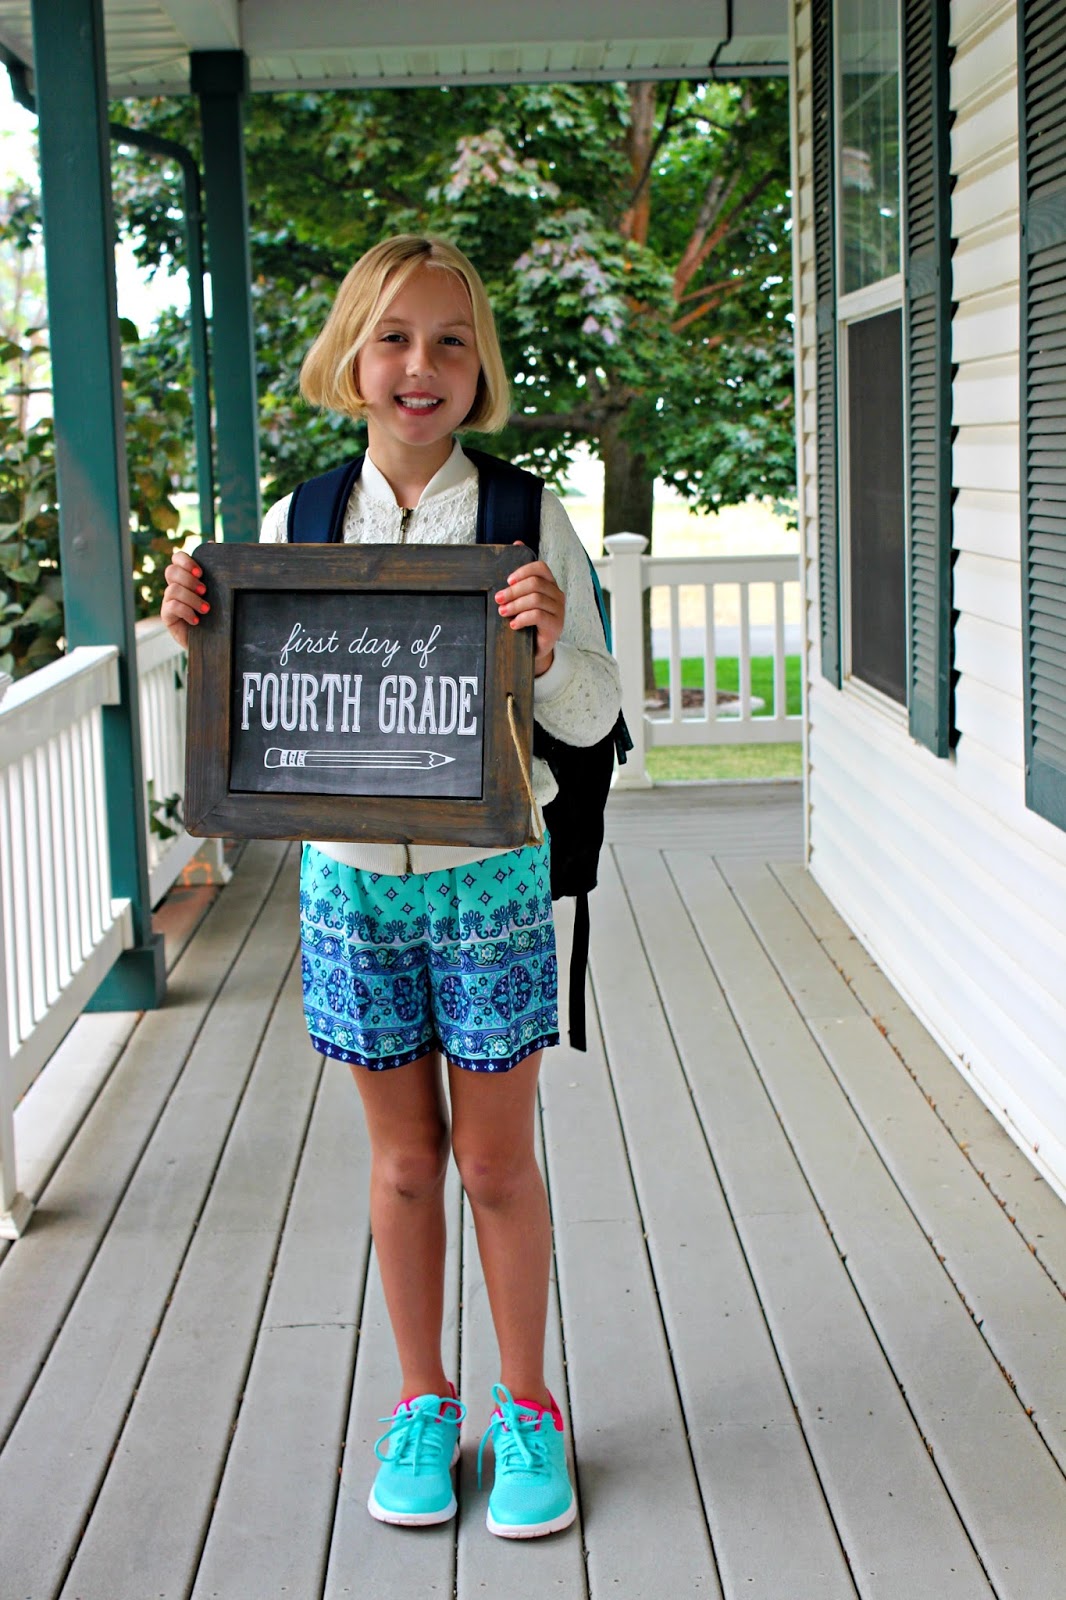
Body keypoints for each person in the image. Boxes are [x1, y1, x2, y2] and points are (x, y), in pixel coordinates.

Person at [161, 234, 621, 1540]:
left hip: (488, 884)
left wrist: (544, 637)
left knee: (490, 1165)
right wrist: (194, 625)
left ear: (479, 371)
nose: (420, 366)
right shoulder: (303, 522)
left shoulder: (528, 518)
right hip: (353, 888)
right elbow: (253, 706)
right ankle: (422, 1400)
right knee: (404, 1163)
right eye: (394, 338)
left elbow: (589, 715)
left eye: (450, 342)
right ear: (350, 358)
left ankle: (524, 1408)